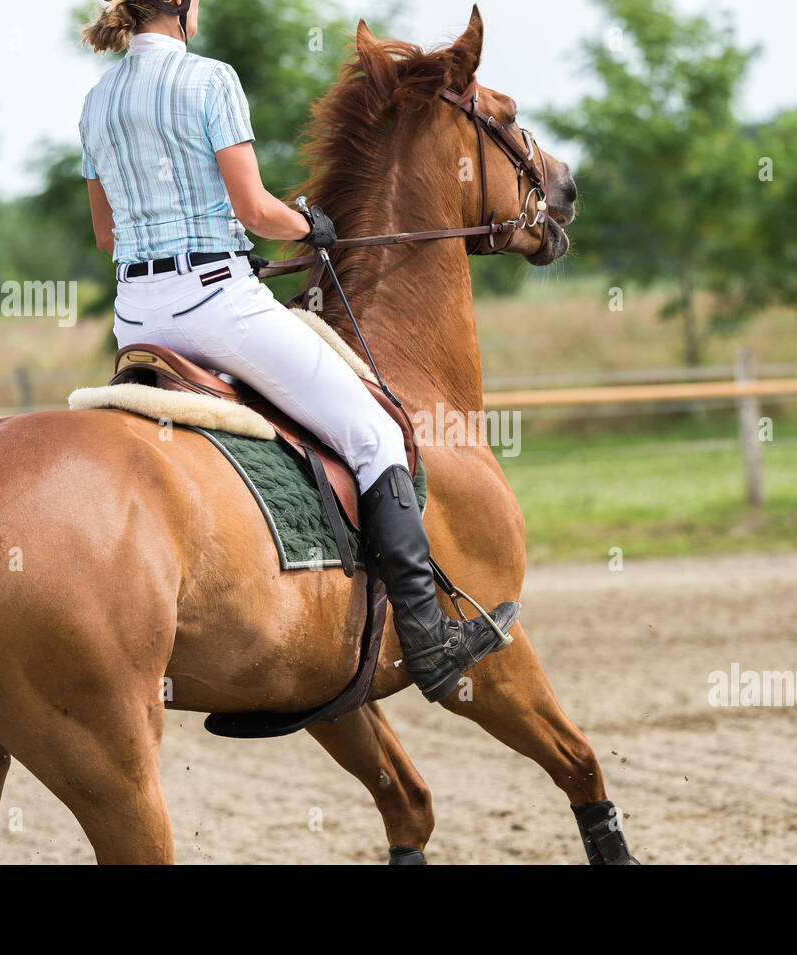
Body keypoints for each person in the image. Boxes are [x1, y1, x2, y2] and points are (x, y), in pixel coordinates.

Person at [78, 0, 517, 702]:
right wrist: (310, 222)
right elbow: (254, 210)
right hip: (218, 307)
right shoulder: (210, 80)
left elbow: (105, 234)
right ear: (185, 8)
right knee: (376, 432)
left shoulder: (96, 101)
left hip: (138, 320)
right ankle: (430, 635)